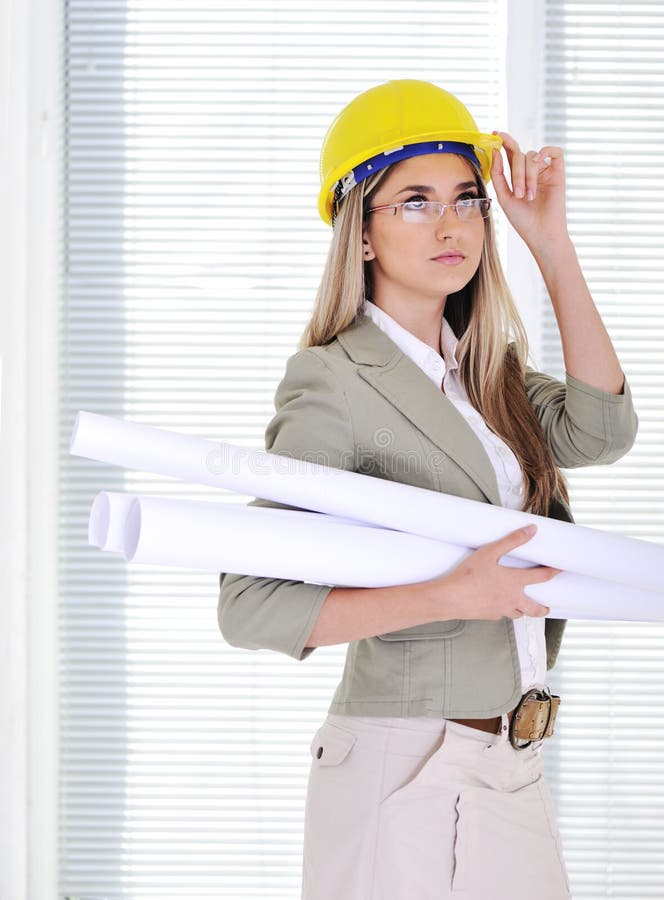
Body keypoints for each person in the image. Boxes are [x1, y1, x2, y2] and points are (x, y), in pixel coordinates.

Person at [217, 80, 638, 899]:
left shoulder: (486, 373)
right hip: (403, 763)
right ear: (361, 234)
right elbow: (250, 604)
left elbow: (602, 430)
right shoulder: (331, 382)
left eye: (466, 200)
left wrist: (550, 242)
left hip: (512, 761)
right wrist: (452, 594)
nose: (450, 224)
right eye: (413, 201)